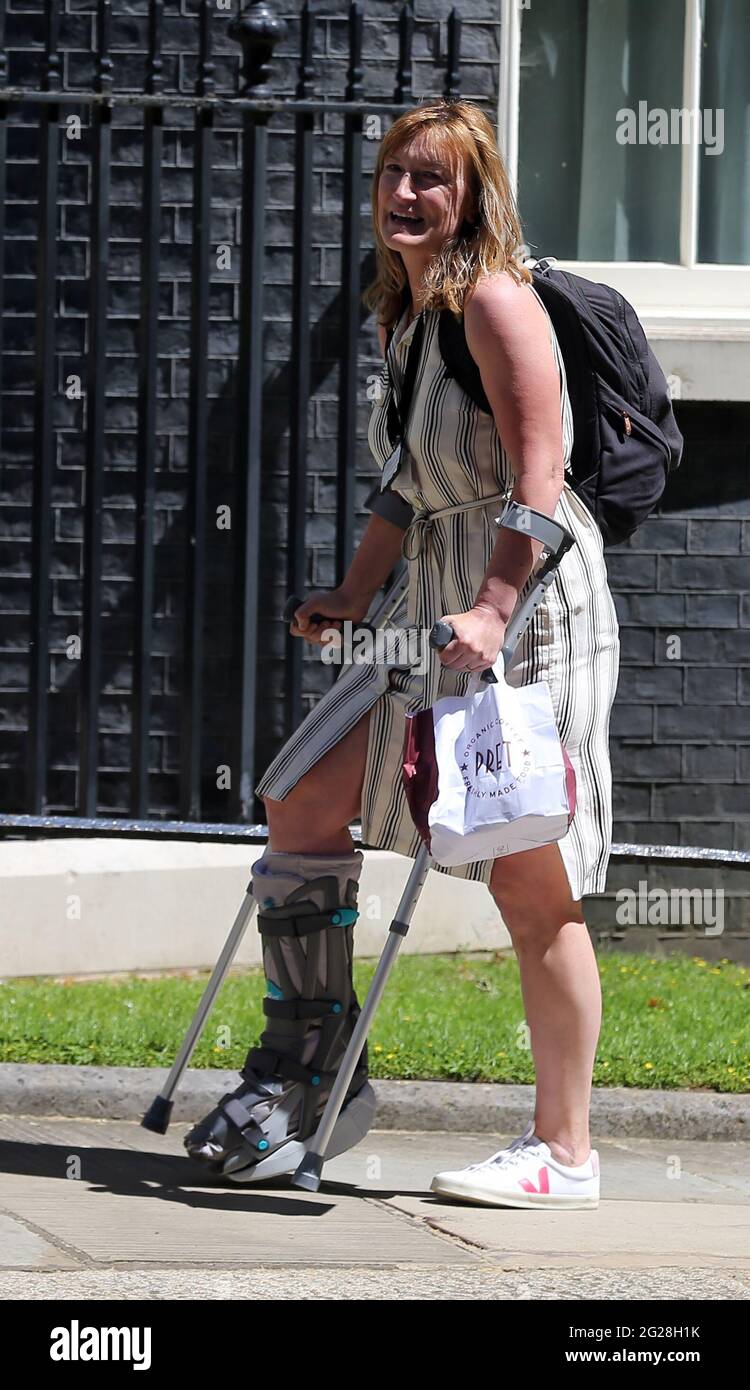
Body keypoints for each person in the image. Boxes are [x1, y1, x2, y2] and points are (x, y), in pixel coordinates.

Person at [184, 98, 620, 1209]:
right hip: (427, 606)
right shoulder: (409, 313)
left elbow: (540, 479)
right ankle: (313, 1061)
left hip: (523, 610)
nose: (406, 194)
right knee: (302, 801)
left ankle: (564, 1152)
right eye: (393, 173)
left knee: (531, 878)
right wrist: (350, 591)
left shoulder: (496, 303)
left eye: (433, 178)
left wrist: (488, 610)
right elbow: (404, 486)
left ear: (474, 196)